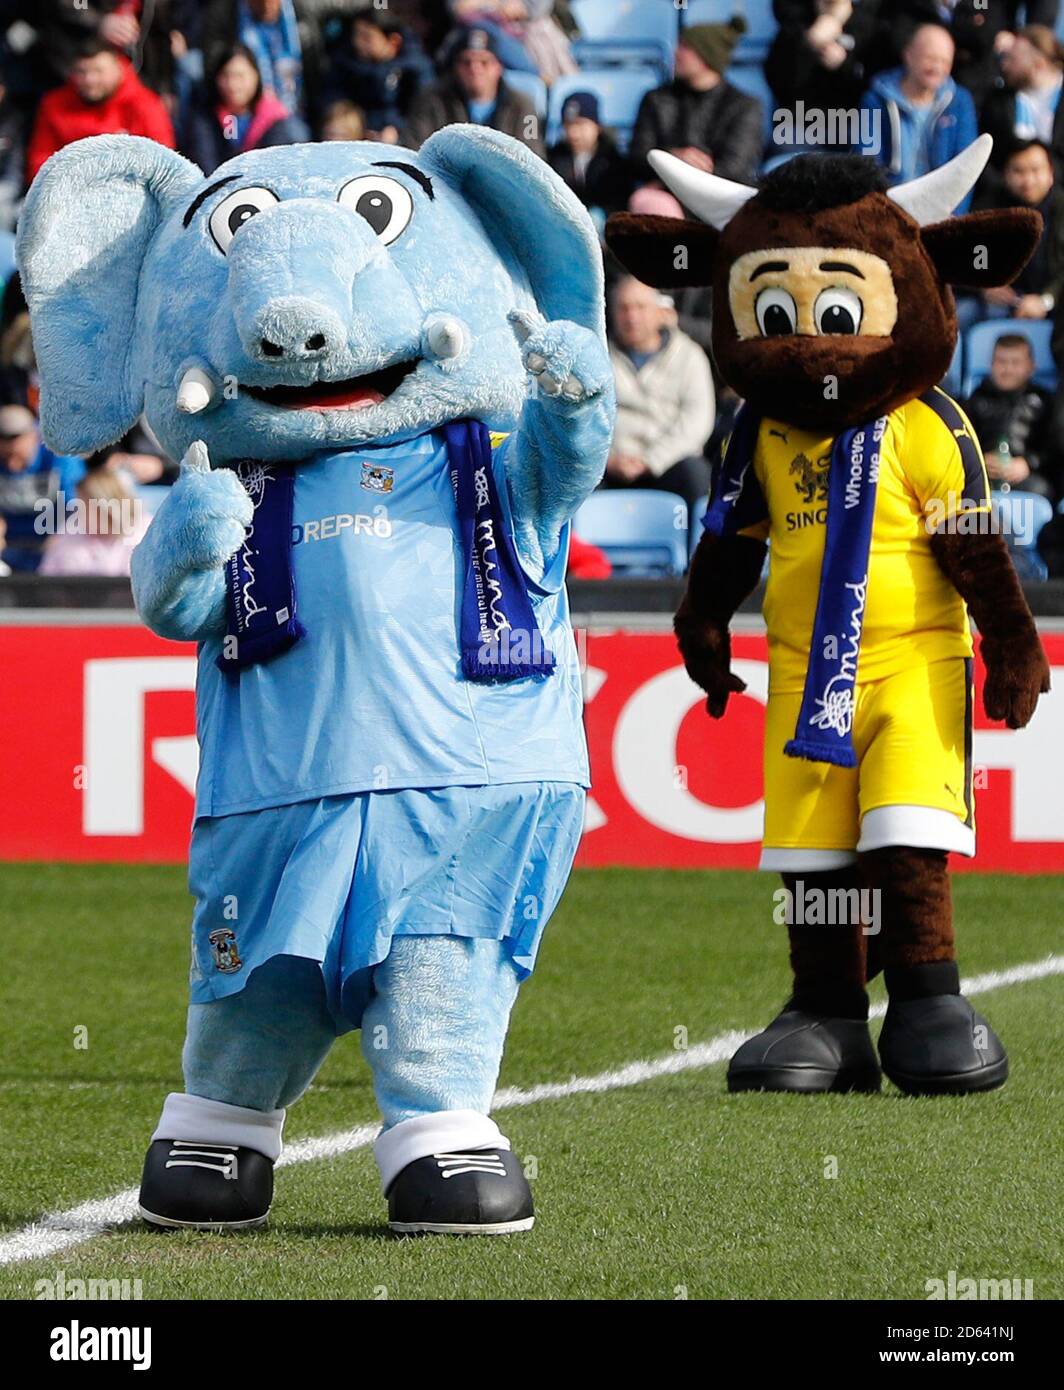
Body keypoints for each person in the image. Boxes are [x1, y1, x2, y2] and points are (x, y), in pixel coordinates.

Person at [605, 276, 715, 517]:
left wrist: (650, 461)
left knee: (697, 475)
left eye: (640, 307)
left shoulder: (690, 357)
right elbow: (583, 420)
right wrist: (608, 461)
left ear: (660, 312)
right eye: (624, 308)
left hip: (667, 465)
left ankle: (699, 542)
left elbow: (697, 423)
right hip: (610, 467)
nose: (632, 316)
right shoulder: (597, 356)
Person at [630, 18, 764, 186]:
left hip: (719, 196)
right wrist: (672, 157)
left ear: (707, 55)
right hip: (666, 191)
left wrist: (680, 171)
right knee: (646, 198)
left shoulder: (745, 106)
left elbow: (735, 168)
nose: (676, 53)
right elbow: (637, 158)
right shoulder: (656, 99)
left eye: (686, 47)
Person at [26, 39, 175, 184]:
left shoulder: (146, 104)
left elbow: (162, 164)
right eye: (81, 72)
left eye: (98, 71)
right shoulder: (54, 104)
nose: (90, 80)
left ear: (118, 69)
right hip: (69, 191)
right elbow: (39, 164)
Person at [858, 24, 978, 202]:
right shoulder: (876, 99)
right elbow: (867, 162)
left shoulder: (959, 102)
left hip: (941, 206)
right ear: (908, 55)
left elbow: (966, 166)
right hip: (889, 204)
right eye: (930, 58)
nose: (937, 68)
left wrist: (952, 212)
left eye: (945, 62)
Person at [402, 25, 546, 157]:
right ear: (456, 67)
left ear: (498, 67)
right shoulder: (431, 101)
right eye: (467, 62)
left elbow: (534, 158)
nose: (475, 69)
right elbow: (414, 150)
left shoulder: (524, 107)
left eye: (484, 62)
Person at [969, 139, 1064, 327]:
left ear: (1050, 173)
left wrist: (1045, 300)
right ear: (1005, 174)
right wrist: (984, 283)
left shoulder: (1061, 208)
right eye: (1019, 171)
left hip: (1055, 301)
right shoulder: (987, 208)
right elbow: (978, 249)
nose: (1028, 181)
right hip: (1002, 302)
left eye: (1035, 170)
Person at [182, 43, 309, 174]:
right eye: (226, 75)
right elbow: (205, 163)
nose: (232, 84)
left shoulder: (275, 119)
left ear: (256, 76)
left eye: (240, 76)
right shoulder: (206, 118)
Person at [767, 2, 893, 125]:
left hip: (852, 124)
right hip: (798, 123)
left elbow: (879, 83)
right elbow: (777, 78)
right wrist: (808, 43)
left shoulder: (870, 22)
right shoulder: (795, 20)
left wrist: (844, 63)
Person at [963, 333, 1056, 500]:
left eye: (1016, 362)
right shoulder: (976, 400)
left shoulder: (1043, 401)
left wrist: (1027, 463)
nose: (1008, 369)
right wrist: (979, 461)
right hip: (983, 477)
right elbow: (962, 442)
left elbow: (1053, 447)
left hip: (1028, 478)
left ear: (1031, 367)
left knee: (1041, 490)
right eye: (1001, 362)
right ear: (991, 365)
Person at [322, 11, 434, 143]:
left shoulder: (415, 69)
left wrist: (396, 127)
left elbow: (422, 109)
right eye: (356, 34)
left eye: (367, 37)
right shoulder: (344, 61)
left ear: (393, 41)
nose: (358, 43)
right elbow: (332, 95)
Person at [0, 403, 85, 572]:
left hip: (53, 546)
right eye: (6, 457)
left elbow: (76, 506)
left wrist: (61, 537)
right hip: (7, 547)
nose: (12, 465)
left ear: (33, 436)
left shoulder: (60, 456)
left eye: (17, 455)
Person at [981, 24, 1064, 188]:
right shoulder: (998, 102)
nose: (1004, 66)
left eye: (1013, 60)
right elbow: (989, 160)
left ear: (1039, 64)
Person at [38, 461, 149, 577]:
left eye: (87, 505)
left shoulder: (143, 533)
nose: (80, 511)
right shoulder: (70, 530)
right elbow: (47, 579)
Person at [547, 91, 631, 228]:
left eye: (580, 124)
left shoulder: (612, 159)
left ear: (597, 126)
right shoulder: (555, 157)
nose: (573, 133)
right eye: (567, 124)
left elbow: (619, 201)